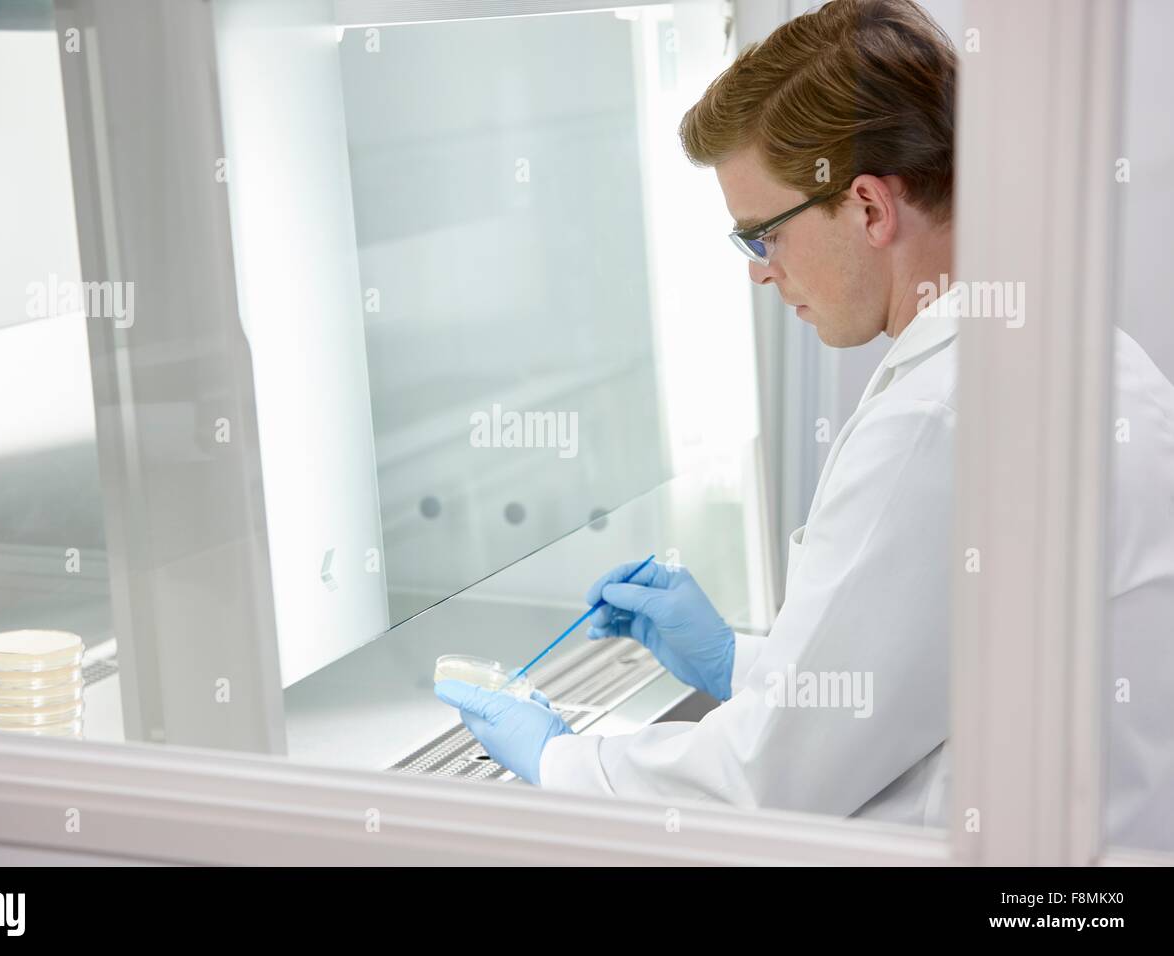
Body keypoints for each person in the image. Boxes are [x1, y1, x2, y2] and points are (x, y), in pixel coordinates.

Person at [435, 0, 1174, 849]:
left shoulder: (940, 417)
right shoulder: (1072, 345)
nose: (762, 273)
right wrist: (738, 664)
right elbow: (912, 685)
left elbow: (765, 785)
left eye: (762, 236)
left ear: (867, 207)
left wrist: (562, 764)